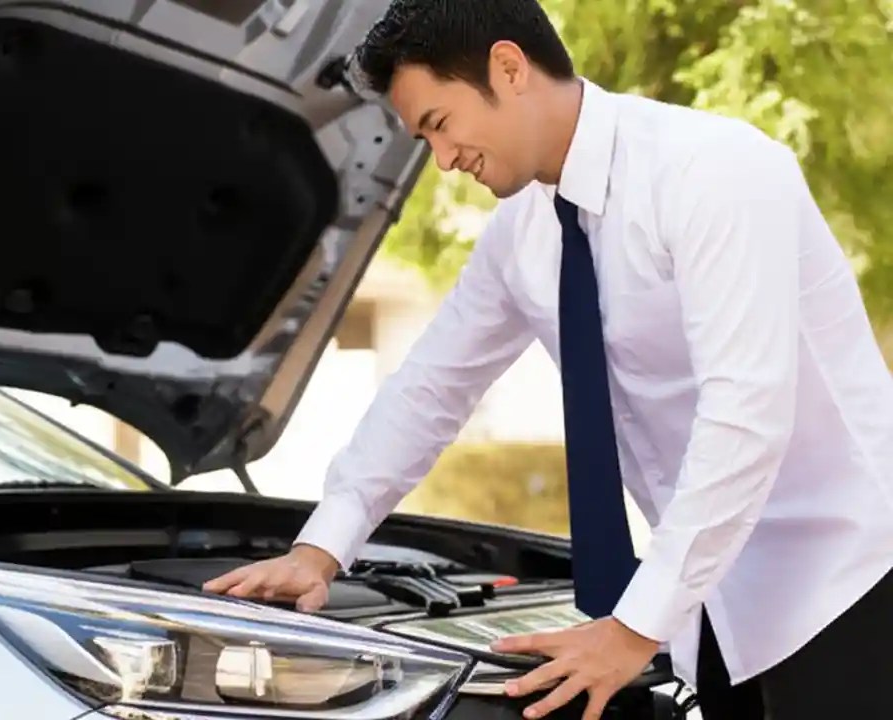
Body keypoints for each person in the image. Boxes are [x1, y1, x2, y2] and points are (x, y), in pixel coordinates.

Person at [202, 1, 893, 718]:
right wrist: (320, 550)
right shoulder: (522, 235)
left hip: (849, 581)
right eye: (425, 140)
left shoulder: (714, 171)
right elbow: (430, 389)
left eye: (440, 123)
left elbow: (746, 415)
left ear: (508, 68)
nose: (443, 160)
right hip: (712, 602)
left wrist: (631, 628)